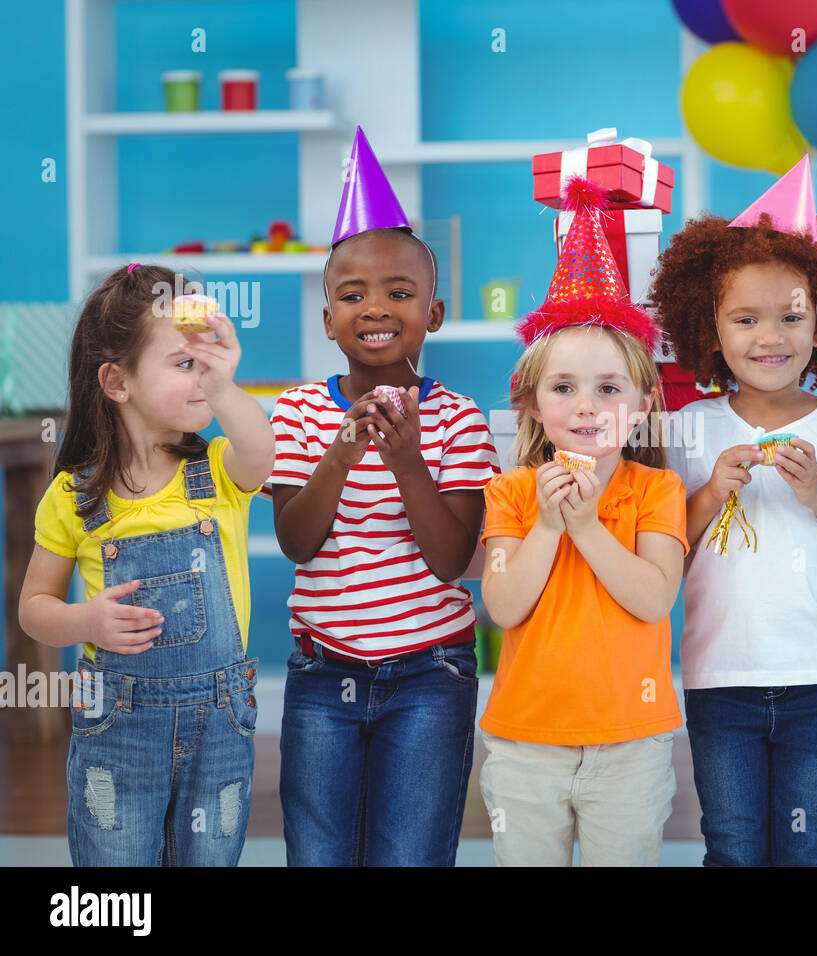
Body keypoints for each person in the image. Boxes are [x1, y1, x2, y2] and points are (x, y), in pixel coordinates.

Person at [649, 157, 817, 866]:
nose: (770, 336)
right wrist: (708, 494)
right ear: (711, 329)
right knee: (730, 842)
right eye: (746, 319)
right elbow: (667, 548)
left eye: (791, 316)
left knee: (809, 843)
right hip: (719, 675)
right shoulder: (690, 427)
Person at [271, 127, 499, 866]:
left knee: (411, 853)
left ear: (433, 313)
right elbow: (297, 542)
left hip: (431, 674)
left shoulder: (459, 419)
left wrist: (407, 464)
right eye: (353, 294)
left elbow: (452, 559)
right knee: (319, 852)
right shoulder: (299, 411)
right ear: (328, 317)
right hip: (320, 670)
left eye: (400, 293)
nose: (376, 308)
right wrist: (343, 449)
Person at [19, 263, 274, 865]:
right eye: (185, 365)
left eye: (208, 362)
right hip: (118, 728)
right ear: (116, 381)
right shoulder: (74, 497)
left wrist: (226, 384)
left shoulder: (219, 468)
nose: (202, 378)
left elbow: (262, 454)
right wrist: (85, 622)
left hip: (219, 728)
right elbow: (34, 609)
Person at [478, 176, 687, 866]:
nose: (588, 406)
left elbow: (654, 598)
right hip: (525, 744)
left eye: (609, 388)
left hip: (631, 743)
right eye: (564, 388)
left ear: (643, 400)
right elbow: (504, 608)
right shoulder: (510, 491)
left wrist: (589, 527)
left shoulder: (656, 490)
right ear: (531, 403)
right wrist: (547, 525)